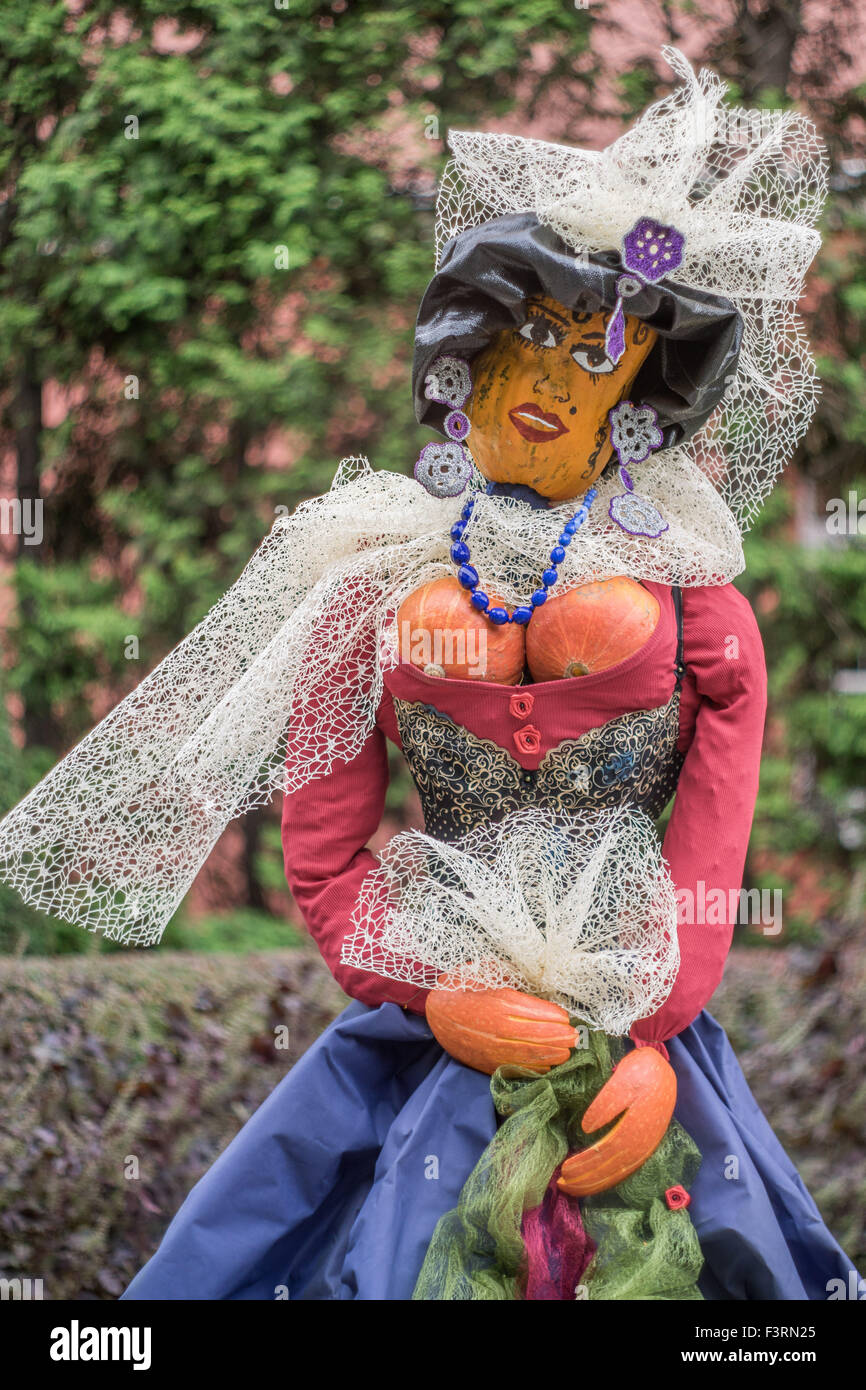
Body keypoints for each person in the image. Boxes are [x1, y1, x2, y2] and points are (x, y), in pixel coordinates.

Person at [0, 48, 856, 1300]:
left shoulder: (700, 609)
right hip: (425, 1039)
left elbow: (708, 865)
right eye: (532, 335)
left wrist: (654, 1037)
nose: (556, 378)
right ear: (471, 345)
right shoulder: (365, 579)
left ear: (641, 391)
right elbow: (329, 861)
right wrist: (433, 995)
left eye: (596, 351)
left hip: (637, 1057)